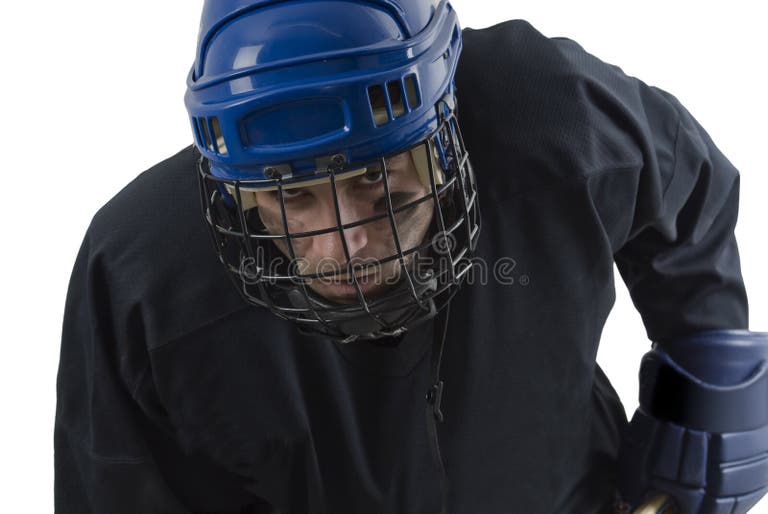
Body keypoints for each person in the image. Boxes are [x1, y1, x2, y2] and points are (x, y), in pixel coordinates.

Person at [54, 1, 768, 513]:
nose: (344, 248)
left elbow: (686, 187)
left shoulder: (552, 120)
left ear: (448, 123)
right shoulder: (144, 285)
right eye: (291, 199)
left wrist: (709, 395)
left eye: (376, 182)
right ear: (231, 181)